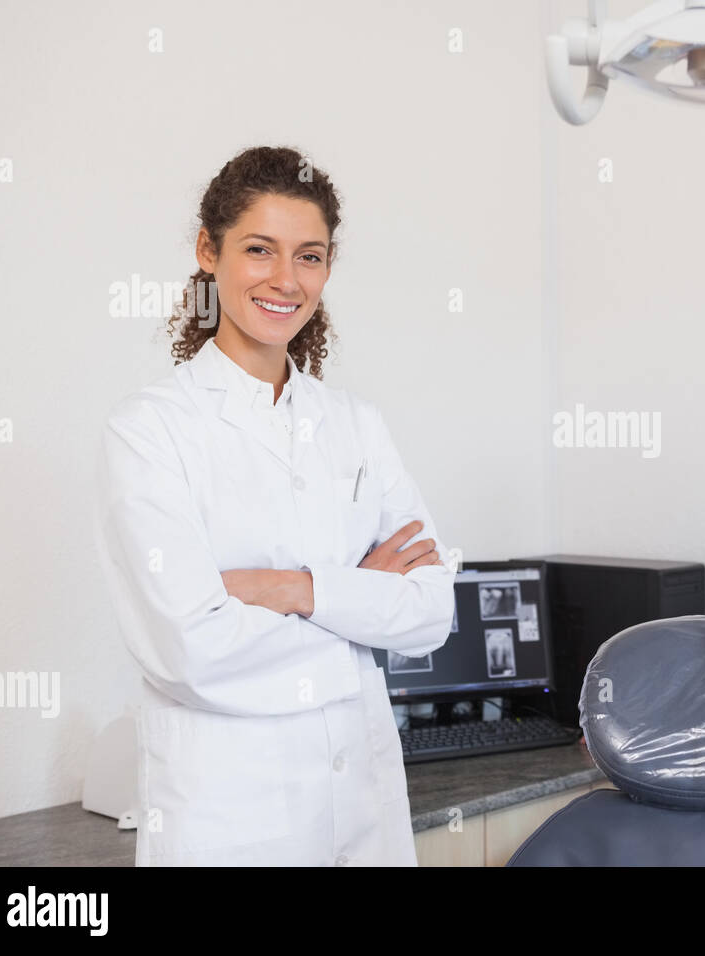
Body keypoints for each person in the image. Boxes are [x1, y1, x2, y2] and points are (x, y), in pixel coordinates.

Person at [93, 146, 455, 866]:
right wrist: (357, 608)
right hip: (231, 822)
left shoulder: (357, 424)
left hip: (363, 812)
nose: (286, 279)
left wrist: (290, 589)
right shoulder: (149, 431)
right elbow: (190, 648)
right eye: (260, 250)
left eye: (310, 256)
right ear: (208, 251)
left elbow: (430, 614)